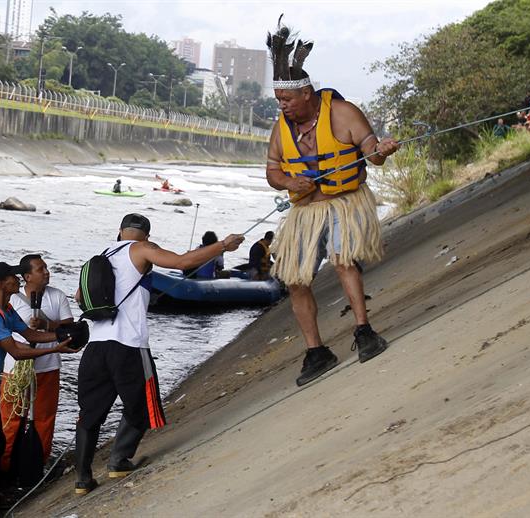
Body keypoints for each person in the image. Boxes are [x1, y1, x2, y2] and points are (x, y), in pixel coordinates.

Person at [264, 19, 399, 387]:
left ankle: (364, 331)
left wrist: (381, 149)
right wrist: (291, 181)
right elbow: (273, 171)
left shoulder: (343, 112)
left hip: (345, 202)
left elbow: (372, 153)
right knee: (295, 280)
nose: (283, 106)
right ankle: (316, 351)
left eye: (287, 100)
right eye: (279, 100)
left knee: (343, 261)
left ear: (307, 93)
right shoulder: (281, 128)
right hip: (305, 211)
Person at [73, 214, 243, 494]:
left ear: (119, 232)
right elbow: (183, 262)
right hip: (128, 345)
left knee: (90, 413)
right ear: (147, 235)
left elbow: (80, 296)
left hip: (96, 347)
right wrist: (222, 245)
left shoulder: (98, 257)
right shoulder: (141, 249)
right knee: (142, 406)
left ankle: (82, 480)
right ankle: (118, 461)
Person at [0, 262, 77, 518]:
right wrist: (55, 349)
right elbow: (16, 351)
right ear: (2, 283)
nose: (17, 279)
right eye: (12, 276)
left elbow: (29, 334)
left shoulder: (6, 309)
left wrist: (60, 338)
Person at [0, 255, 74, 476]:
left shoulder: (57, 296)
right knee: (10, 420)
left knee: (44, 418)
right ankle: (3, 470)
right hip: (15, 369)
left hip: (48, 367)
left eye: (46, 268)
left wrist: (46, 324)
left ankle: (35, 468)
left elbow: (69, 328)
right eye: (41, 269)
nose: (47, 272)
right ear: (27, 276)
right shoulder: (12, 300)